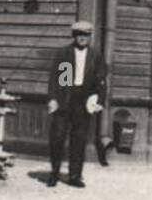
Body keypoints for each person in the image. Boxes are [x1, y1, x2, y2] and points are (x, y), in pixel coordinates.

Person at [45, 20, 107, 188]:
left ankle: (75, 176)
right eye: (79, 34)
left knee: (79, 139)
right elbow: (56, 80)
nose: (82, 38)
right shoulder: (64, 54)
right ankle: (55, 173)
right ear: (74, 35)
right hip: (65, 97)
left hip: (84, 101)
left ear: (90, 36)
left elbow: (101, 80)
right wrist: (53, 99)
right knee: (57, 137)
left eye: (86, 35)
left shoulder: (95, 56)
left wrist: (99, 100)